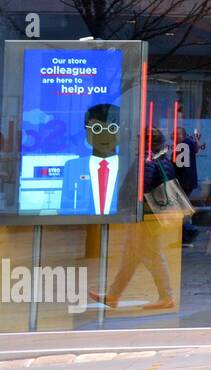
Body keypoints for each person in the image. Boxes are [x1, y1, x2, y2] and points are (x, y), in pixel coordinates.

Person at [89, 128, 177, 311]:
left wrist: (128, 208)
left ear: (147, 142)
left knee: (153, 256)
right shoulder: (161, 159)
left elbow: (139, 187)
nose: (135, 144)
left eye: (139, 140)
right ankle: (113, 295)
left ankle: (166, 296)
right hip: (149, 215)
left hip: (144, 217)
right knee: (130, 258)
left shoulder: (147, 160)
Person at [60, 103, 131, 216]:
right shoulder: (73, 167)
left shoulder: (129, 166)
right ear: (87, 132)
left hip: (118, 228)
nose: (104, 135)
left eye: (112, 128)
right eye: (97, 129)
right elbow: (65, 208)